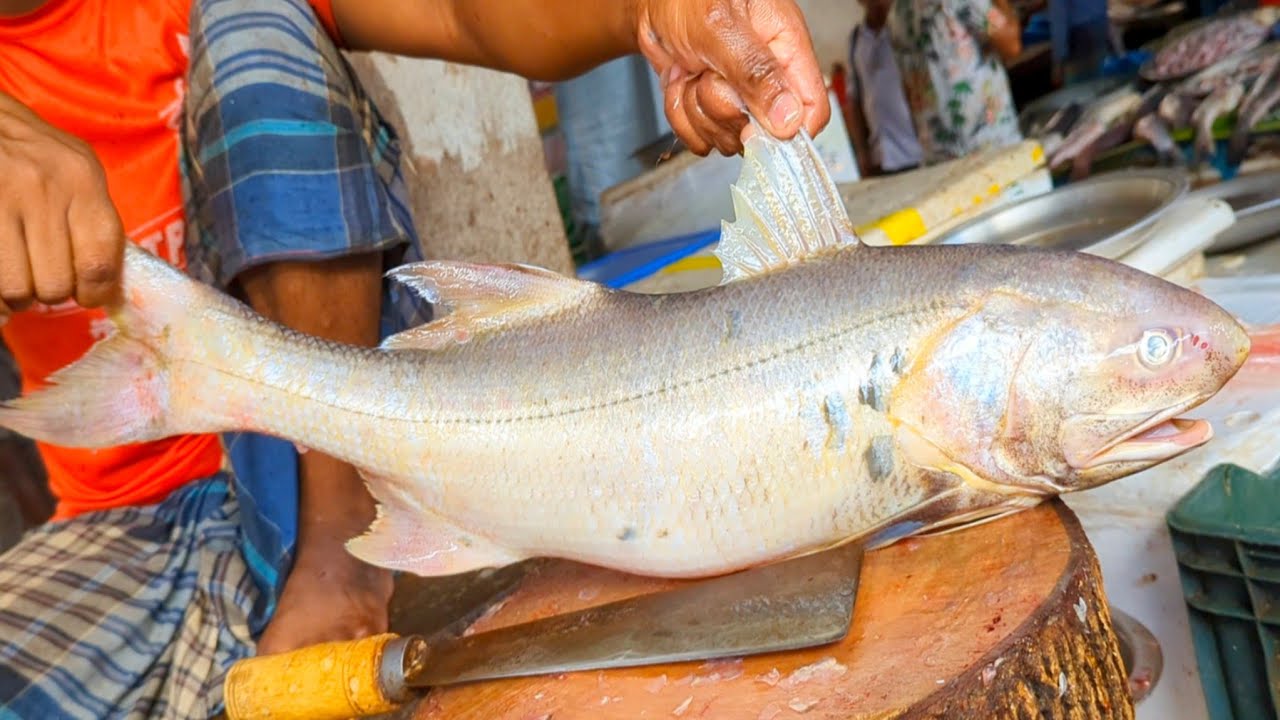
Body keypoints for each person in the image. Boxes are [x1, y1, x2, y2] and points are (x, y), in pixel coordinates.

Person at [0, 0, 830, 716]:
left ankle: (339, 549)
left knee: (256, 22)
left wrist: (648, 12)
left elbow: (468, 11)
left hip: (349, 460)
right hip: (128, 513)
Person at [886, 0, 1024, 164]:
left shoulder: (896, 12)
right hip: (990, 146)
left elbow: (908, 88)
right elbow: (1011, 44)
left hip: (939, 156)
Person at [845, 0, 925, 176]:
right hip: (881, 158)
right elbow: (854, 100)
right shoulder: (856, 40)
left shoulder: (906, 29)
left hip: (917, 152)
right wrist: (862, 152)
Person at [1049, 0, 1112, 86]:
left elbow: (1059, 22)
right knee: (1102, 81)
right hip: (1099, 28)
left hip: (1079, 39)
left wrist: (1058, 62)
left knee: (1080, 89)